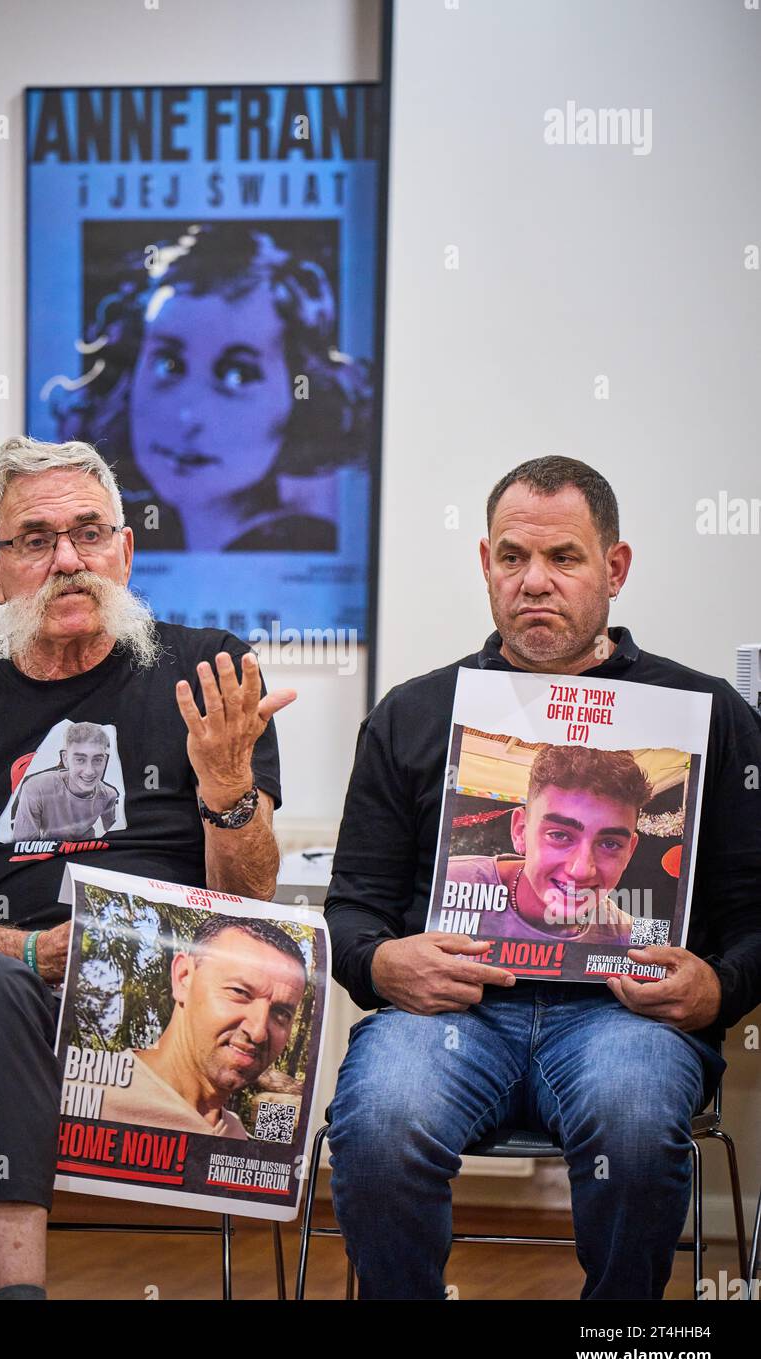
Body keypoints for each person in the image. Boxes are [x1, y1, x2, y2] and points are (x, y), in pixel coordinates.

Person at [325, 455, 761, 1301]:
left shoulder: (710, 718)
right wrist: (382, 965)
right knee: (378, 1124)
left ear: (614, 568)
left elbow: (755, 917)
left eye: (563, 558)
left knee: (634, 1125)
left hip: (622, 1022)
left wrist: (717, 991)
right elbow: (350, 911)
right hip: (451, 1017)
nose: (535, 582)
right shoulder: (412, 716)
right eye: (511, 557)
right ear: (484, 565)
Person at [0, 434, 296, 1301]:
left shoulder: (208, 673)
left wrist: (225, 788)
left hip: (144, 1012)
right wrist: (28, 954)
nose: (69, 559)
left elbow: (250, 900)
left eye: (90, 532)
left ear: (125, 551)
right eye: (35, 540)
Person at [44, 222, 372, 552]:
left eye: (238, 375)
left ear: (299, 398)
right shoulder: (129, 543)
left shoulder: (310, 546)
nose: (188, 415)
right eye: (168, 365)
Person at [98, 915, 308, 1139]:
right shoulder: (89, 1094)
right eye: (239, 992)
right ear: (183, 977)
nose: (257, 1032)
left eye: (281, 1013)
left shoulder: (236, 1133)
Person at [445, 744, 652, 943]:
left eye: (609, 844)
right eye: (560, 836)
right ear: (520, 831)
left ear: (630, 852)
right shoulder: (447, 881)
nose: (581, 871)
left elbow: (668, 948)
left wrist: (683, 967)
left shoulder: (627, 930)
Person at [12, 721, 119, 839]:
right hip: (48, 853)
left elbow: (118, 836)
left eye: (97, 760)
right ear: (65, 759)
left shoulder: (109, 795)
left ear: (105, 760)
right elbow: (23, 845)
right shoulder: (35, 788)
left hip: (87, 852)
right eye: (80, 760)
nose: (90, 771)